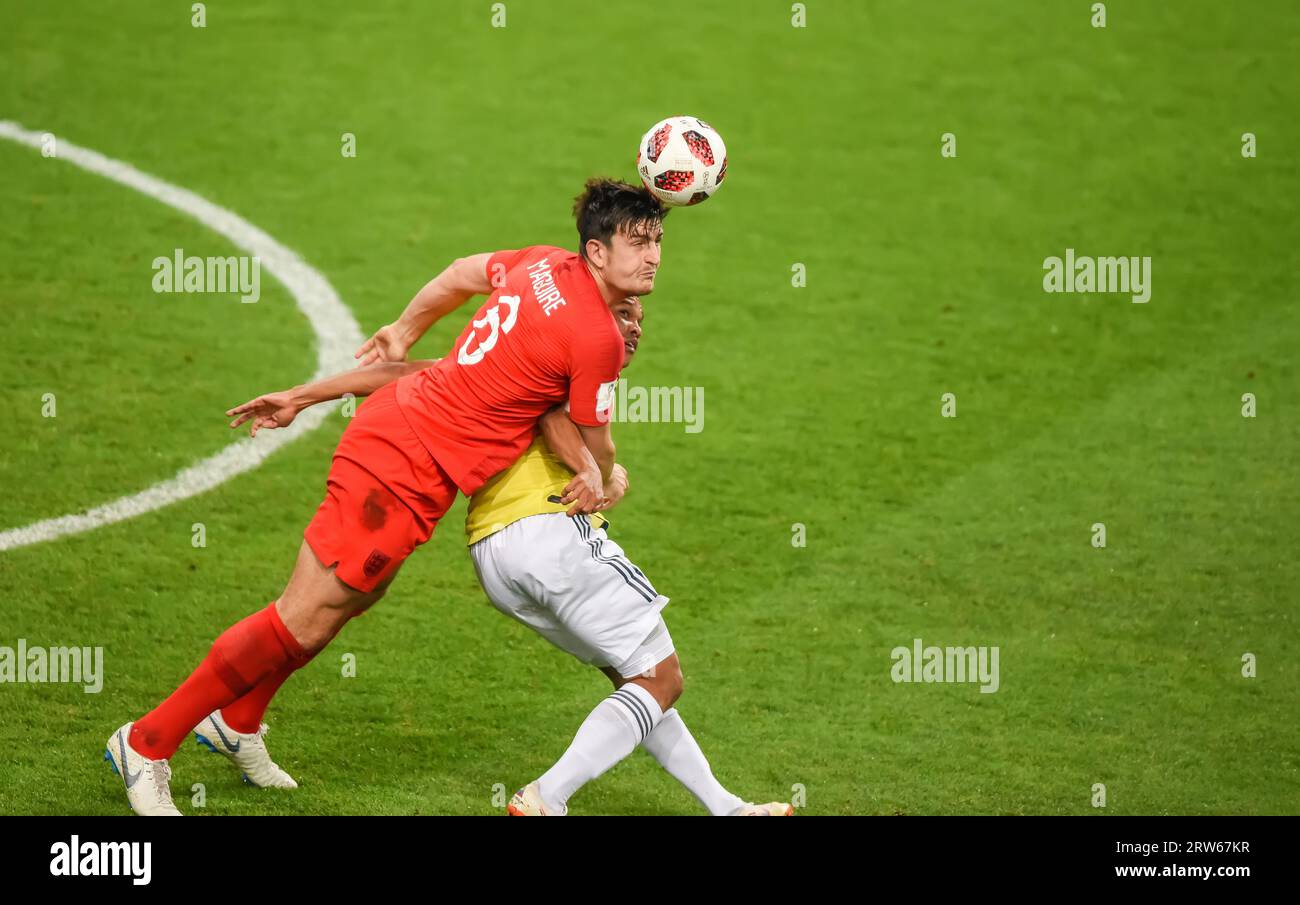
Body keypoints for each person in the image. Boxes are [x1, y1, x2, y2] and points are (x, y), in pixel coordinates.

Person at [105, 179, 665, 815]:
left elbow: (458, 283)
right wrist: (607, 477)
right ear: (596, 251)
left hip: (409, 438)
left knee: (347, 601)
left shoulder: (540, 264)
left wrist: (394, 333)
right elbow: (596, 443)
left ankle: (238, 720)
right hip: (399, 461)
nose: (651, 256)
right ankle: (147, 742)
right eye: (637, 242)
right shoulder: (595, 335)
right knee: (304, 614)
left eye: (657, 242)